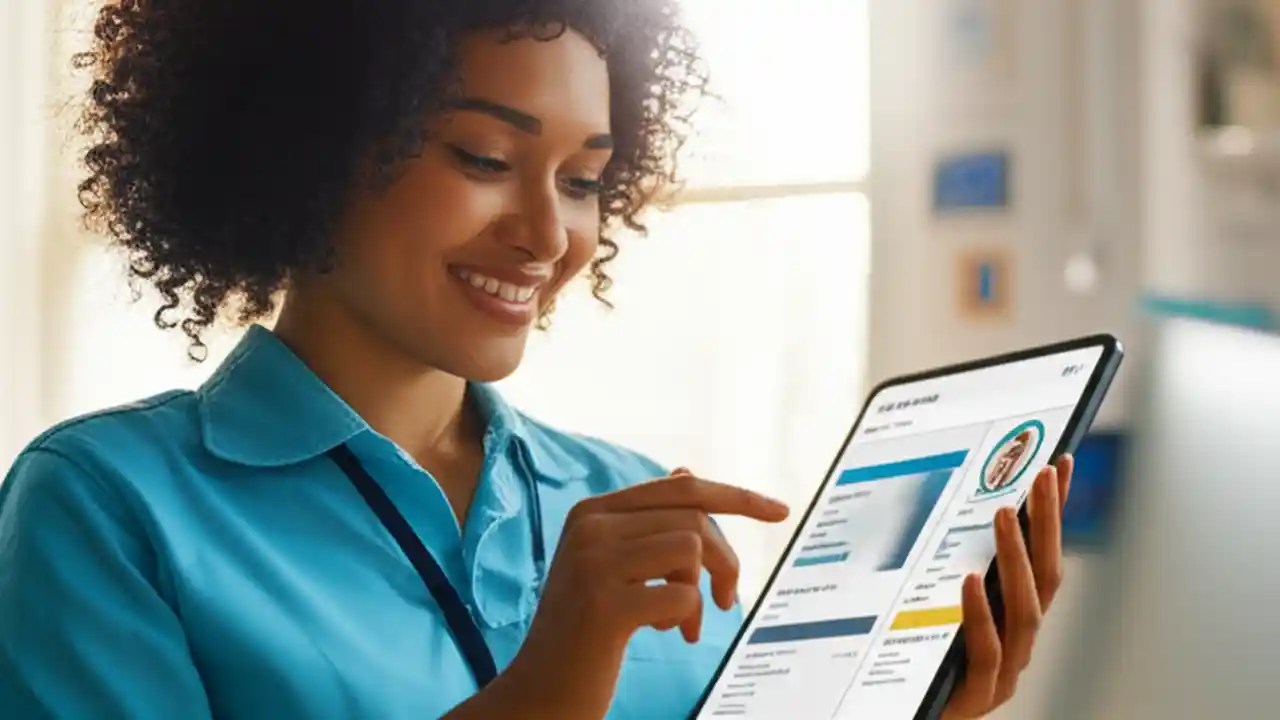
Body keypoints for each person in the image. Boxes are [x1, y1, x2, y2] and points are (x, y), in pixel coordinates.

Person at [0, 1, 1076, 718]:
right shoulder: (107, 505)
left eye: (582, 179)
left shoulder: (625, 503)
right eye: (483, 157)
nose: (549, 235)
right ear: (306, 147)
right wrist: (549, 686)